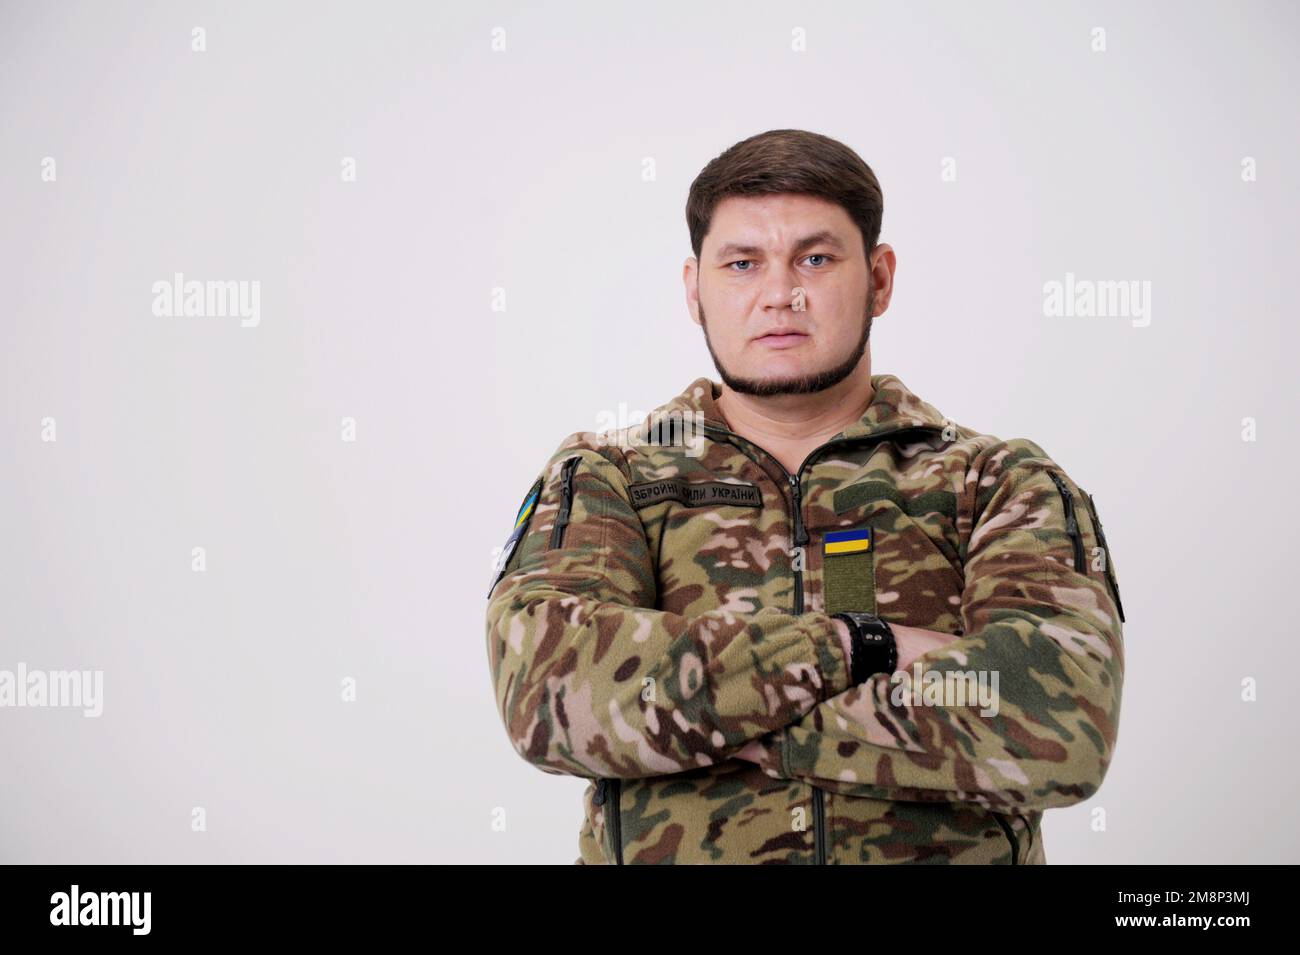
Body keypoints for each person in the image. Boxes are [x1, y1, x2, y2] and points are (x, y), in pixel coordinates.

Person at [485, 128, 1126, 864]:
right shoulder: (612, 475)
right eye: (742, 263)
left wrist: (710, 713)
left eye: (815, 259)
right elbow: (549, 691)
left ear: (879, 280)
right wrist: (860, 647)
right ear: (695, 289)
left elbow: (1060, 720)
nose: (779, 294)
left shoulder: (995, 482)